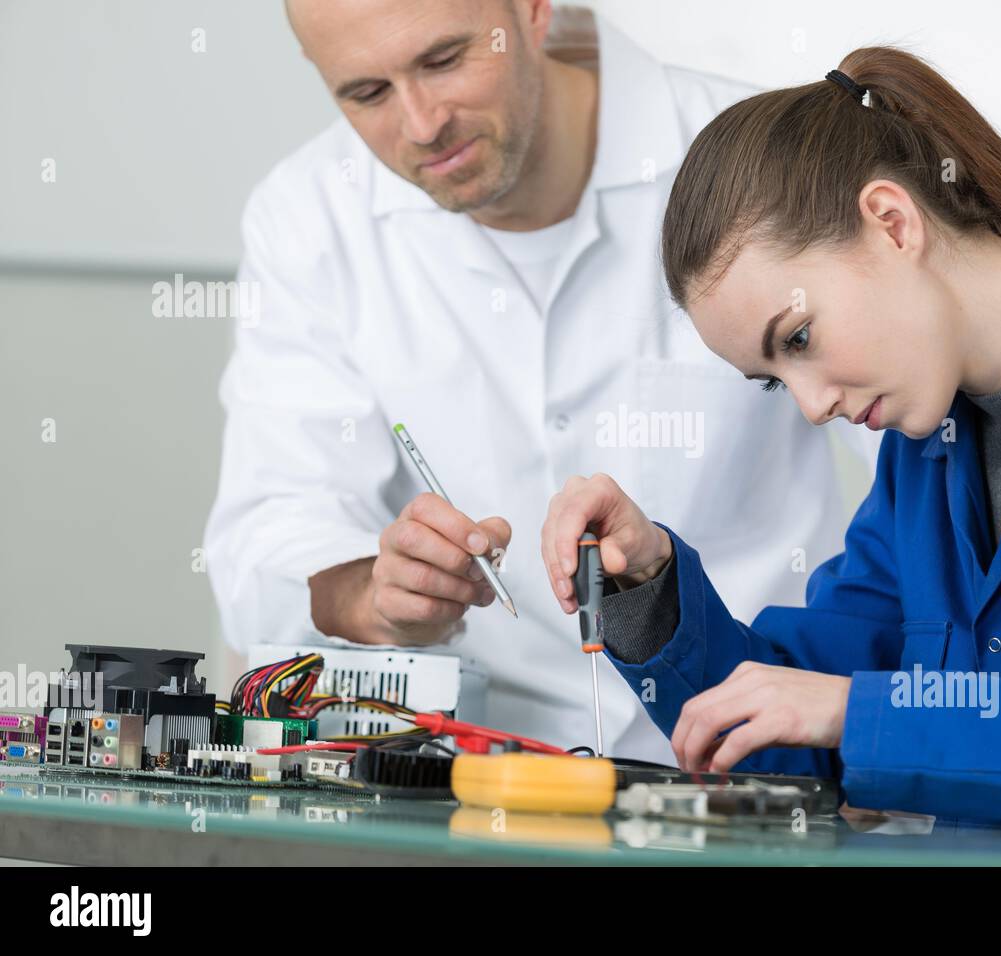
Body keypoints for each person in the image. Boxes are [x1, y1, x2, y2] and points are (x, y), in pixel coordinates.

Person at [541, 49, 1001, 845]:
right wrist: (652, 590)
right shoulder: (927, 443)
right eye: (773, 379)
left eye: (798, 338)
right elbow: (796, 725)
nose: (810, 407)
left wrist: (861, 714)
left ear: (892, 222)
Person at [202, 1, 879, 760]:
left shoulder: (754, 158)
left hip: (764, 763)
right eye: (367, 93)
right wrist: (376, 595)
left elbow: (925, 467)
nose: (422, 124)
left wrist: (876, 715)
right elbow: (264, 535)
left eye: (444, 60)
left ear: (531, 11)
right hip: (481, 781)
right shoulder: (308, 217)